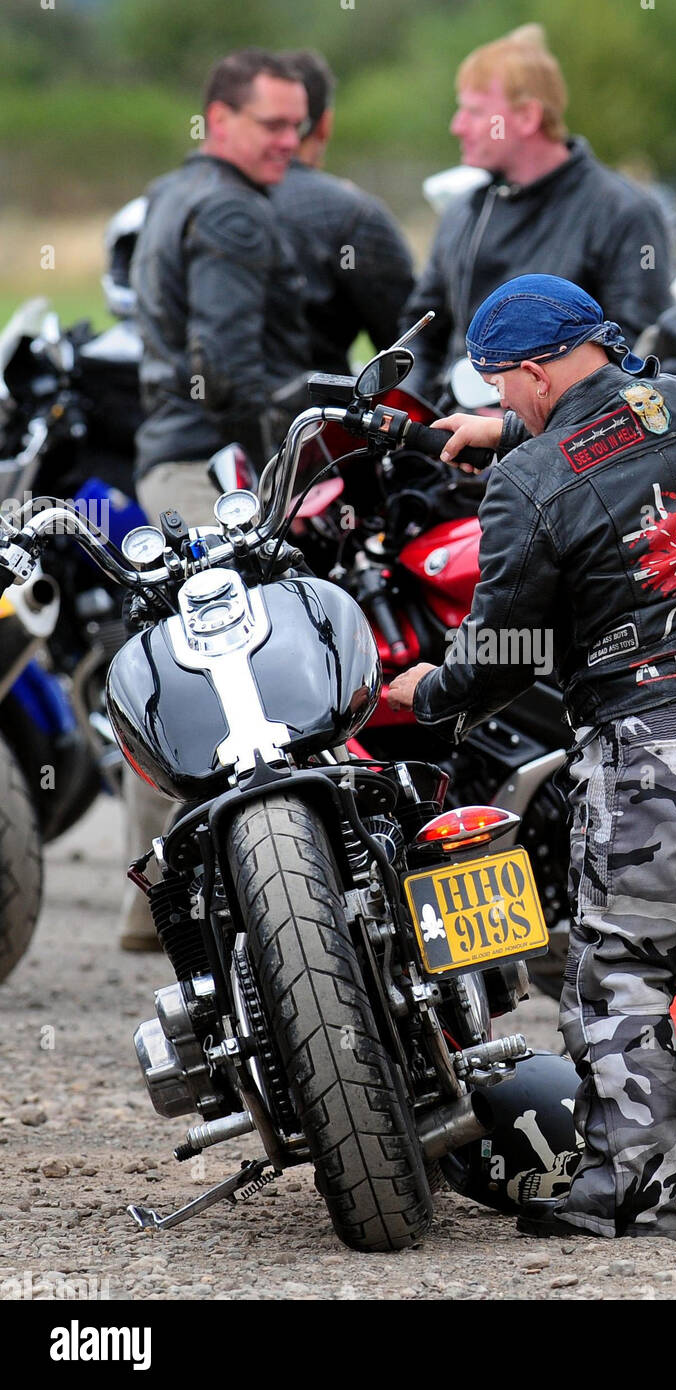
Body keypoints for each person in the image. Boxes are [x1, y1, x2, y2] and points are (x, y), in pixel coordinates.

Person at [387, 274, 676, 1241]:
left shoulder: (529, 485)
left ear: (535, 370)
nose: (500, 402)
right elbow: (638, 415)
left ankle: (626, 1198)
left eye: (503, 386)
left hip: (658, 747)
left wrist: (431, 692)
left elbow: (501, 654)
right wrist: (516, 432)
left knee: (618, 975)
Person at [121, 48, 310, 950]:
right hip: (211, 469)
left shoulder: (172, 191)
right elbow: (224, 364)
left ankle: (149, 909)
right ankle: (186, 916)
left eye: (299, 123)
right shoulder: (234, 208)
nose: (291, 141)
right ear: (219, 118)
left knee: (174, 671)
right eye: (272, 124)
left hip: (166, 461)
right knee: (229, 679)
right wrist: (311, 419)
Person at [402, 25, 672, 404]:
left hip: (567, 450)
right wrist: (405, 412)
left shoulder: (624, 212)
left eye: (475, 111)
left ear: (528, 116)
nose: (457, 126)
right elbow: (421, 336)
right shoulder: (463, 213)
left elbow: (637, 357)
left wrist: (514, 426)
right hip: (450, 438)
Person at [271, 50, 415, 375]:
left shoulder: (174, 195)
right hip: (311, 419)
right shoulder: (351, 214)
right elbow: (405, 345)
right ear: (326, 123)